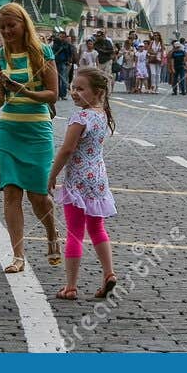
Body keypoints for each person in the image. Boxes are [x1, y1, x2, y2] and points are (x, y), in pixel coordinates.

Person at [0, 2, 60, 274]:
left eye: (12, 26)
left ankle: (51, 232)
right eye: (3, 27)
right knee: (11, 192)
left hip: (37, 132)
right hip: (8, 131)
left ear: (23, 24)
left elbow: (52, 94)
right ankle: (18, 255)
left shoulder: (42, 52)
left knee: (38, 197)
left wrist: (24, 91)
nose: (7, 31)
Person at [48, 65, 119, 301]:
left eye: (80, 89)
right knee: (98, 229)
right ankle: (109, 273)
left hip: (78, 180)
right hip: (98, 179)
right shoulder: (102, 114)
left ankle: (70, 286)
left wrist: (52, 175)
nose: (74, 92)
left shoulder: (80, 117)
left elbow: (67, 150)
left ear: (97, 92)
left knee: (75, 233)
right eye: (73, 87)